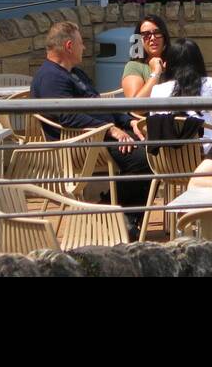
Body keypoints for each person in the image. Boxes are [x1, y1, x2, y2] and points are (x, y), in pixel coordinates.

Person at [30, 21, 153, 237]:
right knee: (145, 159)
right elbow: (67, 115)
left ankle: (121, 217)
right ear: (69, 46)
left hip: (101, 138)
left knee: (154, 150)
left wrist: (128, 121)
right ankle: (108, 214)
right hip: (81, 145)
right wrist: (109, 130)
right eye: (81, 43)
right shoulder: (51, 77)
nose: (84, 48)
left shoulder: (74, 73)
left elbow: (100, 105)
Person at [148, 39, 212, 146]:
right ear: (199, 62)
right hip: (204, 155)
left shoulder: (157, 90)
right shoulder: (210, 84)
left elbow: (154, 123)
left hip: (166, 158)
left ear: (169, 63)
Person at [122, 14, 170, 99]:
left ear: (164, 36)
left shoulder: (175, 62)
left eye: (157, 32)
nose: (152, 38)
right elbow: (136, 107)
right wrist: (156, 72)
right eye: (146, 34)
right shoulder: (134, 66)